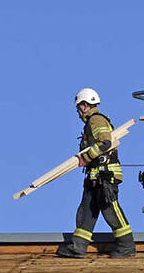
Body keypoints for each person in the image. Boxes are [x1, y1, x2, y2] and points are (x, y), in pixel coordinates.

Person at [56, 88, 136, 259]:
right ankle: (78, 247)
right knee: (87, 210)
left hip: (105, 175)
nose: (78, 113)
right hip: (95, 176)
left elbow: (105, 142)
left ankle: (127, 245)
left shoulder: (96, 121)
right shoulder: (90, 124)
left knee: (110, 210)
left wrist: (86, 156)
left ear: (85, 106)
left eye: (78, 108)